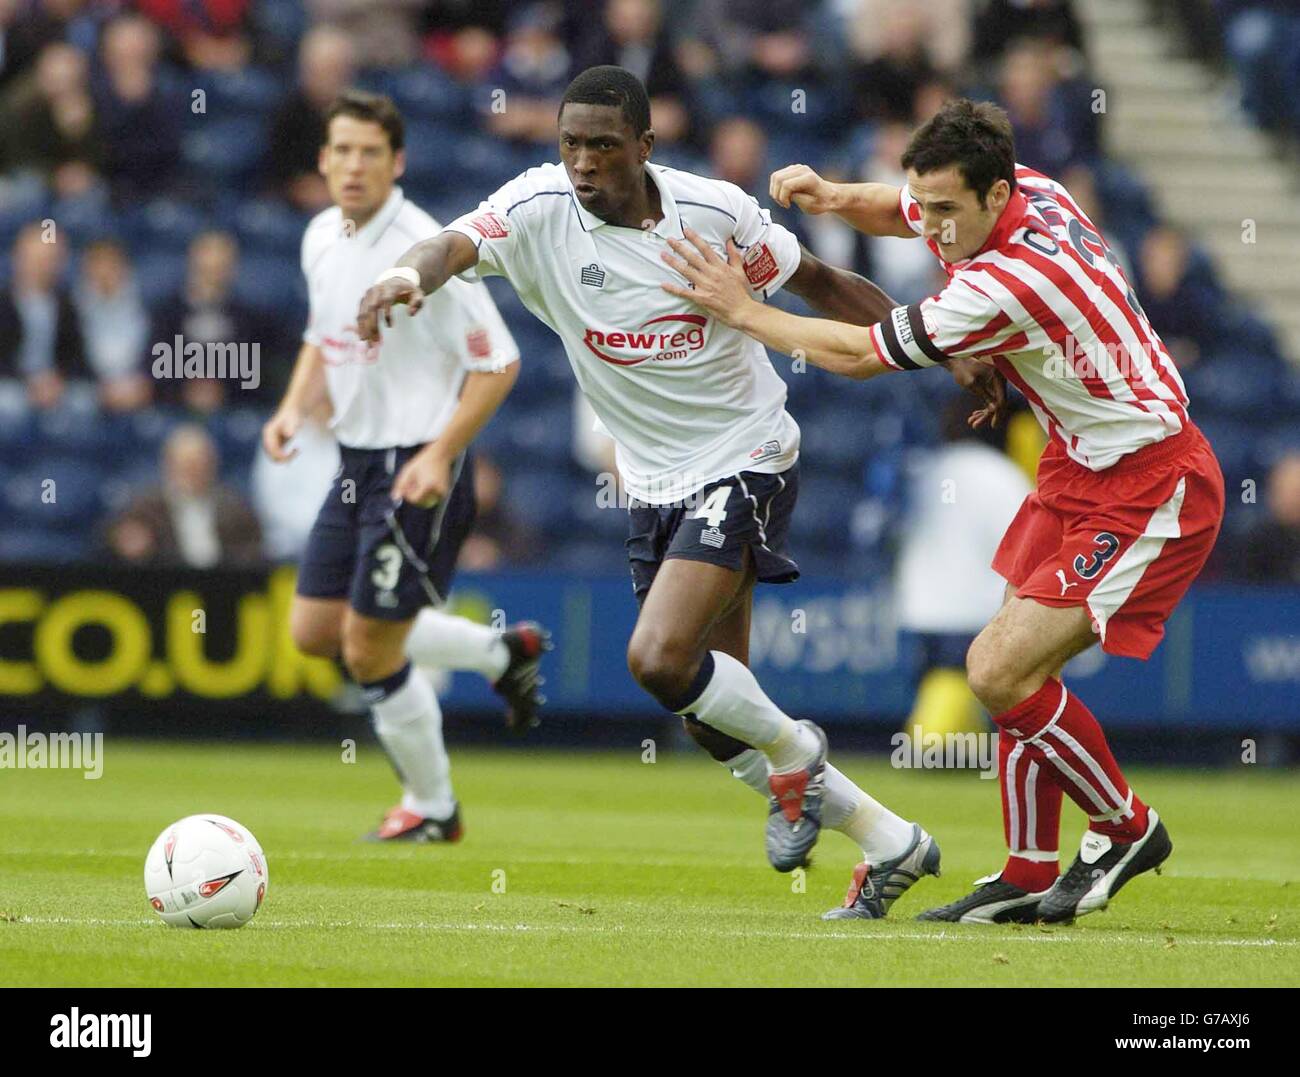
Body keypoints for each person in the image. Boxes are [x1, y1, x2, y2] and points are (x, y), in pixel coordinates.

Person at [357, 66, 1005, 919]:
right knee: (711, 711)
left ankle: (798, 751)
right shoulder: (536, 206)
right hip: (654, 480)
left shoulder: (714, 212)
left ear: (645, 148)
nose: (583, 163)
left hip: (747, 455)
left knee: (657, 657)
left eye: (602, 146)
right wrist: (408, 276)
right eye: (571, 144)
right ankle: (893, 841)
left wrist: (936, 344)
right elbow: (448, 245)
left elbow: (818, 284)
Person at [672, 98, 1224, 924]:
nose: (931, 226)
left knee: (996, 670)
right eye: (923, 204)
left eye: (946, 212)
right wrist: (830, 195)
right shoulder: (1025, 188)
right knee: (1013, 668)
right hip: (1082, 462)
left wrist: (741, 310)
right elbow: (902, 207)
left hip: (1152, 481)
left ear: (995, 197)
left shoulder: (1010, 277)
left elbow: (862, 355)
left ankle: (1125, 824)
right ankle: (1028, 866)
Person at [261, 90, 550, 844]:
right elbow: (322, 337)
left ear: (398, 162)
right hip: (356, 461)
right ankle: (498, 650)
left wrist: (439, 454)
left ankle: (433, 805)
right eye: (342, 150)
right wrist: (294, 407)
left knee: (368, 646)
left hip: (419, 464)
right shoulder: (321, 234)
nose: (354, 165)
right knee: (313, 630)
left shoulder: (426, 248)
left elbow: (501, 362)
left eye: (370, 152)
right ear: (322, 160)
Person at [104, 424, 263, 568]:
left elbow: (253, 550)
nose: (193, 472)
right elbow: (111, 537)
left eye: (199, 464)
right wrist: (125, 540)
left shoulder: (235, 507)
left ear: (213, 465)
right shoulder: (145, 507)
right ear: (168, 465)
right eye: (186, 465)